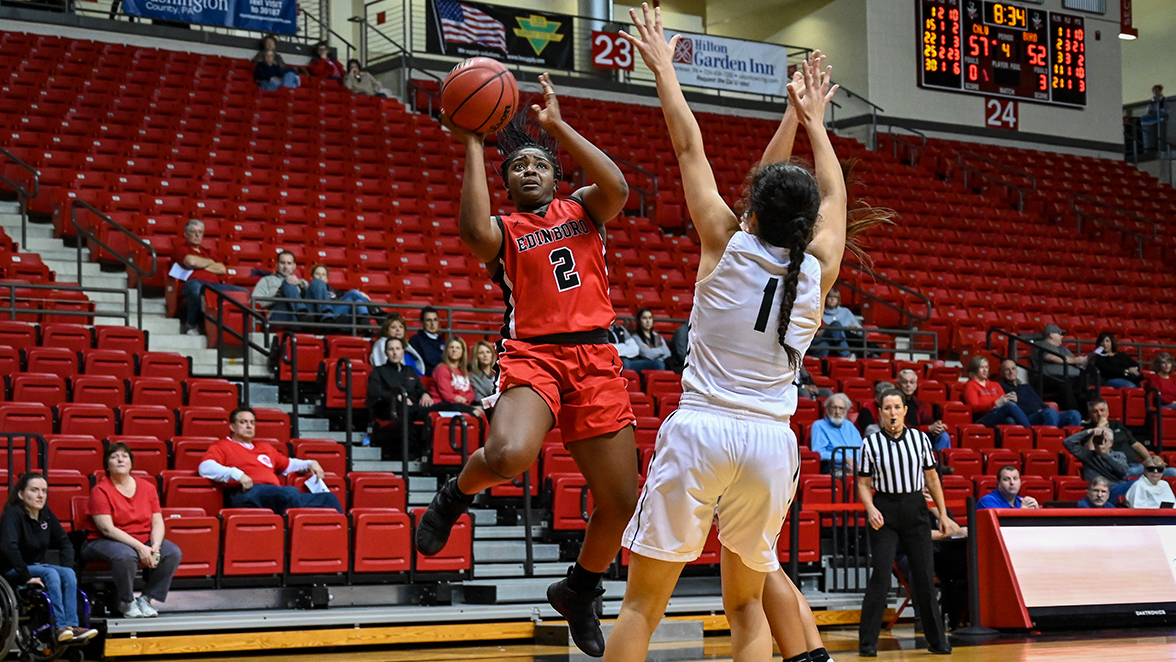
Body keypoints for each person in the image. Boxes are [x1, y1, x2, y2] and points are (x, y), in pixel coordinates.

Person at [608, 16, 851, 659]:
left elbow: (690, 149)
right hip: (771, 443)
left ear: (750, 210)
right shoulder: (818, 268)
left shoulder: (722, 241)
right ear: (808, 223)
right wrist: (814, 125)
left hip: (702, 429)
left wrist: (663, 65)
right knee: (746, 604)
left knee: (641, 606)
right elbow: (833, 192)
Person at [416, 66, 638, 658]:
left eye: (539, 164)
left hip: (596, 358)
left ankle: (580, 589)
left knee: (620, 503)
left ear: (557, 175)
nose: (529, 169)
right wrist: (470, 140)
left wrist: (559, 128)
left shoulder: (584, 211)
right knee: (510, 454)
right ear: (507, 186)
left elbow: (616, 185)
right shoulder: (505, 230)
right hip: (534, 356)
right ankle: (454, 494)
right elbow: (469, 229)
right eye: (517, 167)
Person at [857, 390, 957, 656]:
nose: (892, 412)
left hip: (915, 508)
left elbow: (933, 479)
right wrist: (870, 509)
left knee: (924, 576)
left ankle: (937, 641)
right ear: (880, 412)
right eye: (887, 407)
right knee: (880, 576)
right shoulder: (870, 444)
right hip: (885, 510)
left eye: (896, 407)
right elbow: (863, 484)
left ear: (904, 411)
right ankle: (867, 643)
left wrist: (944, 514)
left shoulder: (920, 439)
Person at [82, 443, 182, 618]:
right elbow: (107, 529)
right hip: (103, 541)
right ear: (107, 465)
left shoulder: (147, 487)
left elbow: (157, 521)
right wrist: (140, 547)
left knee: (172, 552)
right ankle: (126, 602)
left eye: (125, 456)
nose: (120, 459)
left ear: (131, 462)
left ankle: (146, 599)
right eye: (114, 457)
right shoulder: (100, 490)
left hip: (142, 538)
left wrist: (156, 546)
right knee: (125, 555)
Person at [1, 473, 97, 641]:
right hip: (11, 569)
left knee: (67, 573)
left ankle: (72, 627)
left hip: (36, 566)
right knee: (51, 573)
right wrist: (25, 576)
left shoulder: (45, 514)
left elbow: (64, 542)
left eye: (44, 491)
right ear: (21, 494)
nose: (40, 495)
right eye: (34, 490)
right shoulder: (13, 514)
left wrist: (67, 567)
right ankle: (60, 627)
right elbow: (8, 547)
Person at [198, 408, 343, 514]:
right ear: (232, 427)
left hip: (276, 494)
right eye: (243, 422)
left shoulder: (264, 447)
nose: (249, 426)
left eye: (252, 422)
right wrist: (236, 474)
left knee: (328, 499)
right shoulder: (223, 445)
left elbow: (287, 464)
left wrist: (310, 463)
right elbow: (205, 467)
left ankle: (341, 542)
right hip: (247, 493)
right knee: (290, 493)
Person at [171, 219, 248, 336]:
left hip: (213, 285)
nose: (197, 235)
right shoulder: (180, 248)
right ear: (186, 234)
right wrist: (210, 263)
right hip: (191, 283)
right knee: (197, 290)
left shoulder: (208, 251)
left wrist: (201, 264)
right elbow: (190, 262)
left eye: (200, 232)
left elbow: (222, 269)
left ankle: (238, 329)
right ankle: (190, 324)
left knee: (244, 292)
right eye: (193, 231)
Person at [366, 337, 434, 459]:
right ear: (386, 353)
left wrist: (425, 394)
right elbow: (375, 392)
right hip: (390, 408)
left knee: (436, 410)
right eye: (391, 349)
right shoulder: (378, 371)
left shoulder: (410, 370)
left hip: (413, 407)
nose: (395, 352)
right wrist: (397, 397)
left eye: (397, 349)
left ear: (403, 351)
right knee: (405, 412)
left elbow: (420, 388)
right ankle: (413, 453)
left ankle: (470, 410)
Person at [1086, 398, 1175, 478]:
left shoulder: (1117, 424)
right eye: (1095, 412)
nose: (1100, 414)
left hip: (1137, 466)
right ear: (1090, 415)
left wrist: (1151, 461)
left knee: (1173, 472)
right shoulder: (1087, 430)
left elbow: (1135, 444)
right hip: (1118, 470)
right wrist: (1098, 428)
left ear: (1108, 412)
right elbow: (1089, 449)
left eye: (1102, 410)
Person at [996, 360, 1082, 428]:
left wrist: (1044, 409)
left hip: (1043, 414)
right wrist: (1040, 411)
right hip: (1027, 418)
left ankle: (1070, 444)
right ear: (1002, 373)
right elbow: (1012, 408)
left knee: (1074, 414)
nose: (1011, 372)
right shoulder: (1002, 387)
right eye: (1007, 369)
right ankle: (1049, 443)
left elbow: (1039, 402)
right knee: (1050, 413)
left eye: (1013, 368)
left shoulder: (1026, 386)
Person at [1063, 427, 1133, 503]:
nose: (1099, 441)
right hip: (1099, 491)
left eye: (1103, 439)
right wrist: (1090, 431)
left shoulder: (1119, 455)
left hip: (1117, 488)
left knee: (1138, 482)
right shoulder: (1088, 455)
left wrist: (1105, 455)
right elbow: (1067, 442)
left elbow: (1123, 471)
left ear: (1111, 443)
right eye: (1097, 439)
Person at [962, 356, 1031, 428]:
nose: (985, 370)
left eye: (986, 367)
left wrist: (1011, 399)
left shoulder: (995, 384)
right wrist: (995, 404)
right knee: (1009, 406)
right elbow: (974, 407)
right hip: (983, 418)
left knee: (1010, 420)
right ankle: (1030, 431)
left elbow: (1005, 400)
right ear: (975, 369)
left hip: (998, 414)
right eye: (982, 367)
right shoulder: (970, 385)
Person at [895, 369, 951, 450]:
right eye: (905, 382)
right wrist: (928, 428)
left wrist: (937, 426)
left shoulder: (919, 403)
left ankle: (939, 461)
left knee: (943, 436)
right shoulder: (893, 402)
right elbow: (900, 428)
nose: (908, 385)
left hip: (921, 437)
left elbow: (928, 422)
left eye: (911, 382)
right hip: (901, 437)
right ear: (898, 385)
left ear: (916, 385)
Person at [1035, 323, 1086, 411]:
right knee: (1064, 384)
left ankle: (1087, 414)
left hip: (1071, 377)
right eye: (1059, 334)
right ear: (1051, 335)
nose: (1062, 337)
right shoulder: (1041, 345)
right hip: (1049, 378)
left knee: (1086, 381)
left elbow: (1074, 361)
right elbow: (1051, 357)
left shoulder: (1064, 349)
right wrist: (1075, 360)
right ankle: (1074, 412)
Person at [429, 337, 483, 416]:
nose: (454, 350)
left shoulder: (464, 371)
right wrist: (459, 400)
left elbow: (471, 393)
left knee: (484, 411)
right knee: (475, 412)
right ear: (447, 350)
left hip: (461, 405)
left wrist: (466, 399)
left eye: (458, 348)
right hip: (444, 406)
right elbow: (446, 394)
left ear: (462, 352)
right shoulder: (441, 369)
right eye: (451, 347)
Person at [810, 393, 862, 474]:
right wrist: (844, 458)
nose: (837, 412)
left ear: (846, 410)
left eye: (841, 408)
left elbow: (861, 449)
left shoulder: (850, 425)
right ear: (827, 408)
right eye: (834, 407)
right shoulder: (819, 426)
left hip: (857, 467)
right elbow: (818, 453)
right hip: (836, 469)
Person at [308, 264, 372, 323]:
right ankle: (374, 309)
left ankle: (368, 330)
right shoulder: (309, 288)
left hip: (335, 313)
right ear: (311, 278)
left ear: (327, 279)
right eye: (317, 274)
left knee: (358, 300)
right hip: (321, 316)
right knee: (354, 293)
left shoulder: (332, 289)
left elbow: (347, 295)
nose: (320, 277)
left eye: (323, 274)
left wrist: (359, 293)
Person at [815, 287, 860, 358]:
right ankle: (846, 355)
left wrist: (854, 328)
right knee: (835, 325)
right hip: (825, 338)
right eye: (830, 297)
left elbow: (860, 330)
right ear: (825, 298)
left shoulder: (846, 312)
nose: (832, 299)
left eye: (835, 297)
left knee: (824, 345)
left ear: (838, 299)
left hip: (844, 340)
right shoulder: (819, 313)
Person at [409, 307, 446, 376]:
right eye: (429, 320)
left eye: (435, 320)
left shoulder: (443, 341)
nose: (432, 324)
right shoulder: (416, 340)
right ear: (422, 323)